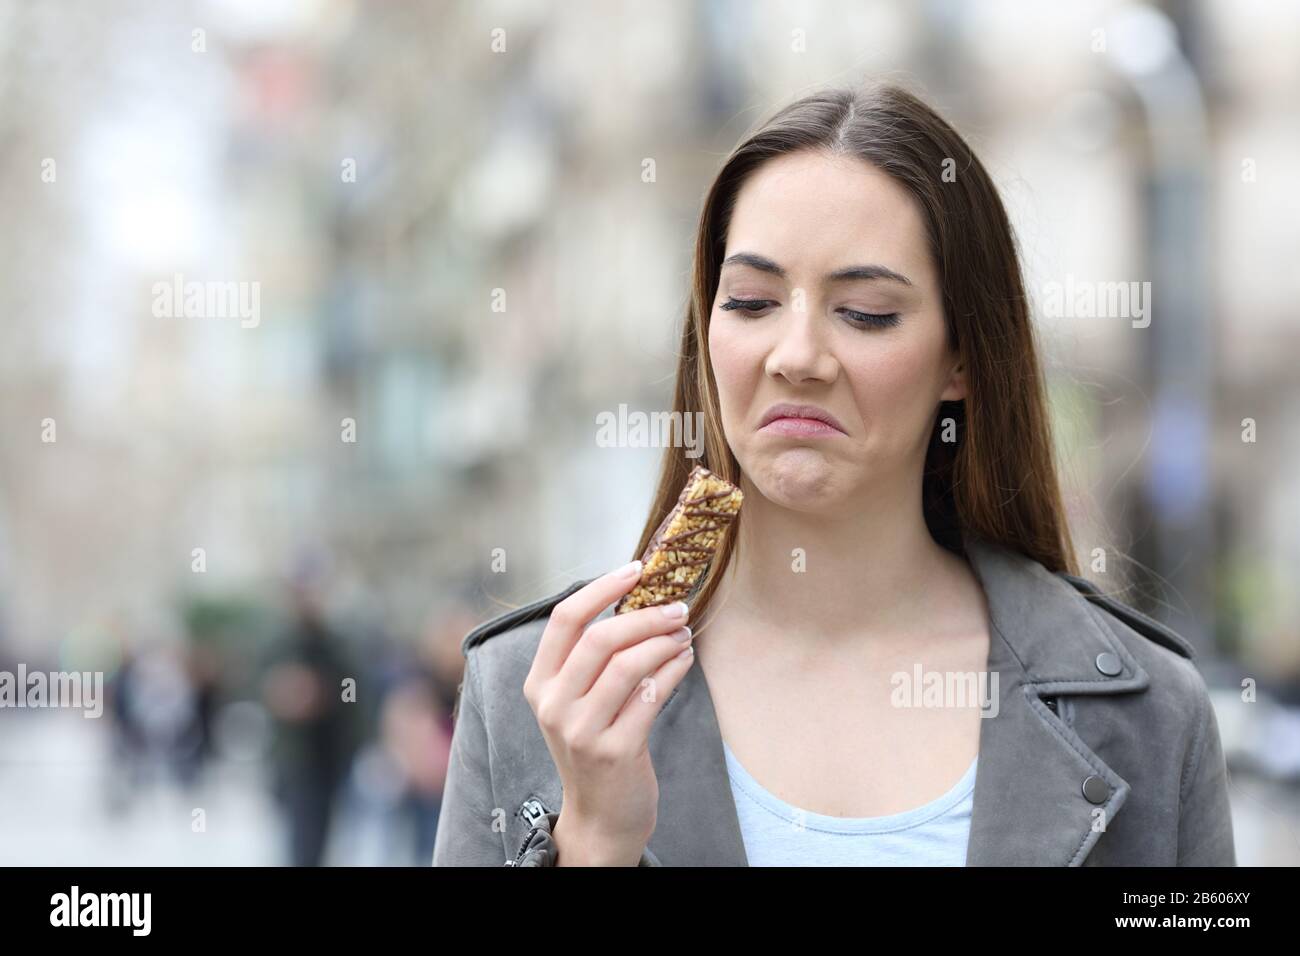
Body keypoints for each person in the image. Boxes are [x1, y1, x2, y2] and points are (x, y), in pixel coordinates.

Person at [432, 82, 1236, 867]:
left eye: (866, 313)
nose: (798, 357)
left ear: (962, 356)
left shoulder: (1147, 713)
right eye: (749, 301)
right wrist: (599, 843)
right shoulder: (533, 696)